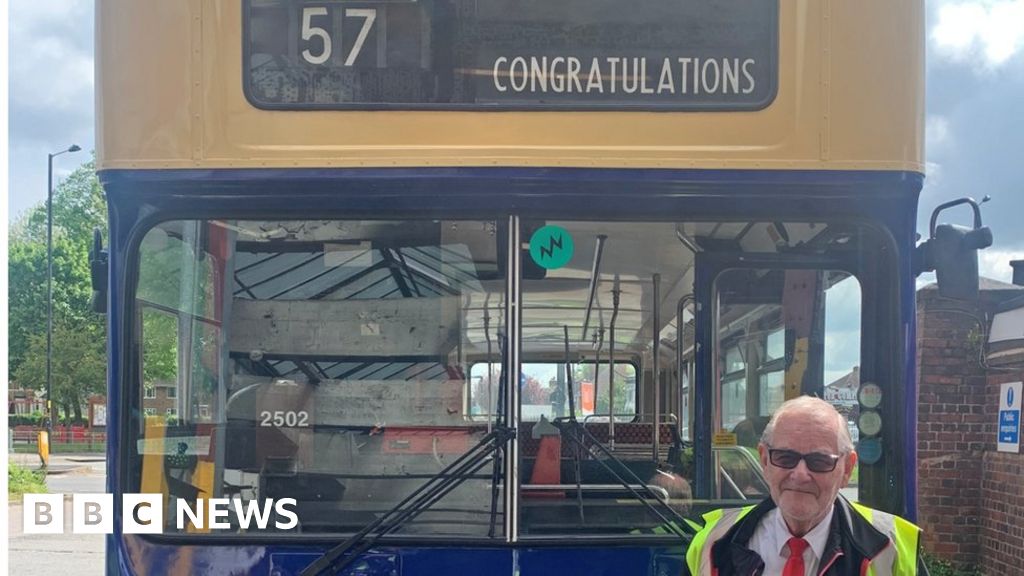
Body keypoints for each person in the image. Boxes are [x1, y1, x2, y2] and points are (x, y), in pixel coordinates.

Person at [686, 396, 928, 575]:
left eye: (819, 461)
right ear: (764, 460)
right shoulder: (714, 543)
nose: (800, 474)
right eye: (785, 457)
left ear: (847, 469)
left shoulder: (891, 548)